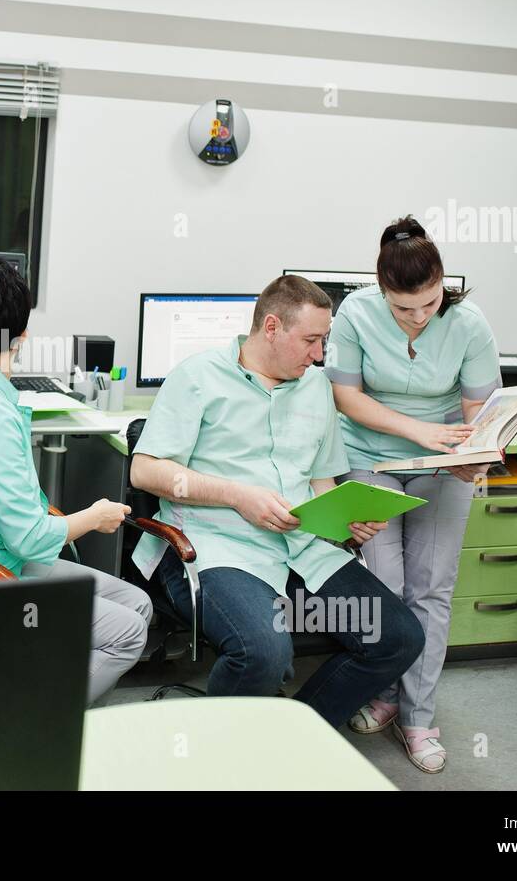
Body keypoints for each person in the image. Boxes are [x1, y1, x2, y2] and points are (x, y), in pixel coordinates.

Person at [130, 274, 426, 727]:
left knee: (399, 637)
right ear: (271, 327)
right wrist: (236, 495)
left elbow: (323, 481)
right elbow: (145, 471)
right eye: (310, 340)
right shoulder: (198, 377)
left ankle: (294, 734)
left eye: (323, 341)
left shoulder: (316, 390)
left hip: (302, 549)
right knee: (263, 651)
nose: (319, 354)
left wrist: (344, 520)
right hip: (216, 549)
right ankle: (216, 759)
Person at [0, 259, 152, 704]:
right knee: (129, 633)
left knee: (138, 603)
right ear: (21, 338)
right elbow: (29, 537)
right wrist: (94, 517)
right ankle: (32, 722)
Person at [326, 216, 501, 773]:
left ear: (442, 283)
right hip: (371, 457)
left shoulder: (470, 323)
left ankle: (418, 715)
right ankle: (382, 694)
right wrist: (416, 430)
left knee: (431, 589)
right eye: (405, 309)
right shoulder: (355, 313)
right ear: (382, 290)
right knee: (385, 588)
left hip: (442, 462)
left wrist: (474, 456)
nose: (419, 318)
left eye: (429, 304)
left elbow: (479, 410)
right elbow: (346, 398)